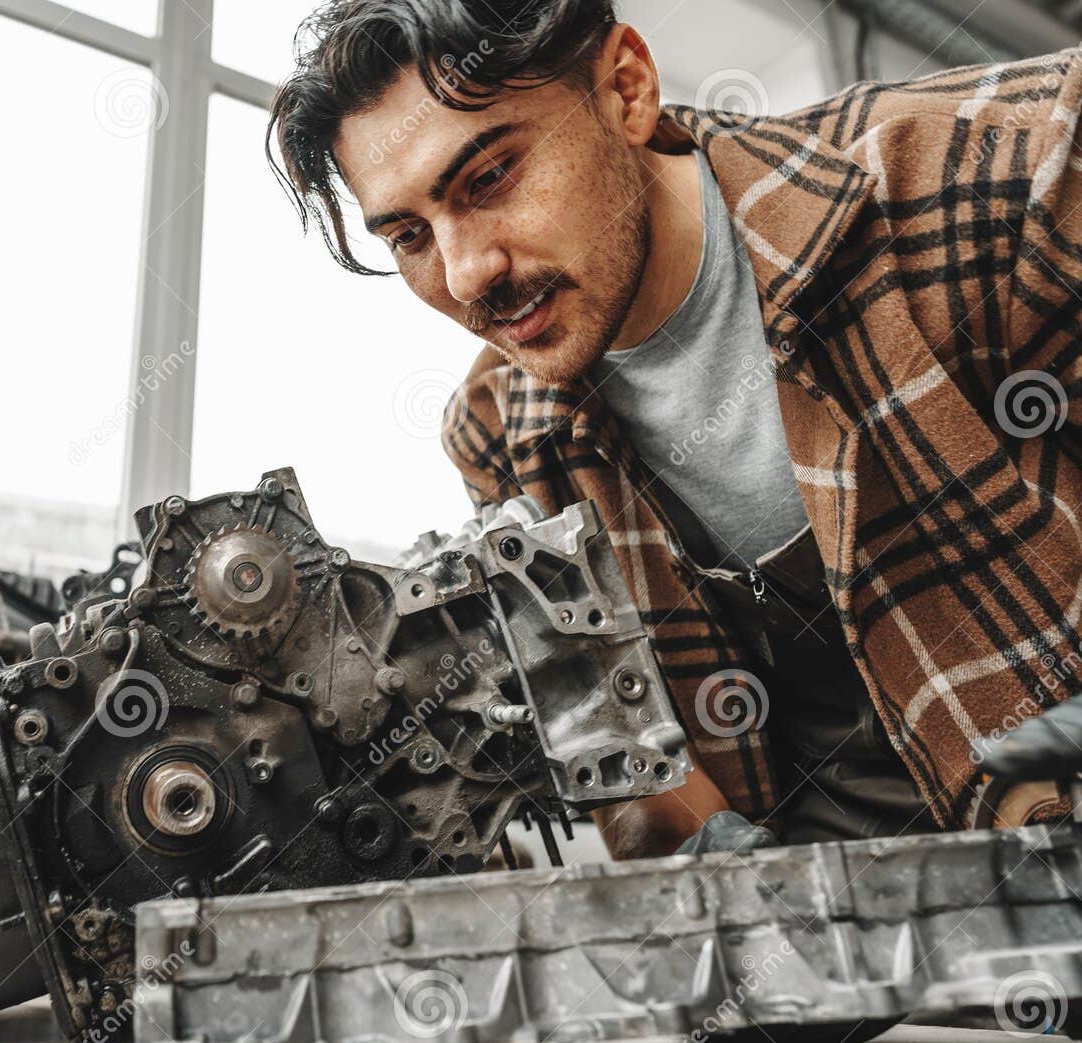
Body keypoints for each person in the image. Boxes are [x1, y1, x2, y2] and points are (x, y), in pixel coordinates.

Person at [269, 0, 1082, 858]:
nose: (469, 274)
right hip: (851, 916)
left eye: (490, 178)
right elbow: (652, 769)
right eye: (408, 235)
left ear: (626, 88)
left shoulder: (998, 178)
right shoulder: (497, 434)